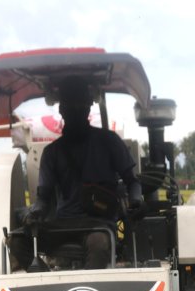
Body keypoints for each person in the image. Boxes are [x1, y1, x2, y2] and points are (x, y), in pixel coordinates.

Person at [9, 74, 142, 271]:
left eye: (80, 106)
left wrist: (136, 200)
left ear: (89, 108)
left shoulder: (109, 142)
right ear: (62, 110)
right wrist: (34, 214)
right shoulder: (52, 153)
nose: (76, 111)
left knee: (98, 243)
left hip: (99, 224)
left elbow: (133, 182)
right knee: (17, 241)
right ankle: (50, 283)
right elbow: (43, 200)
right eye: (71, 107)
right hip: (63, 225)